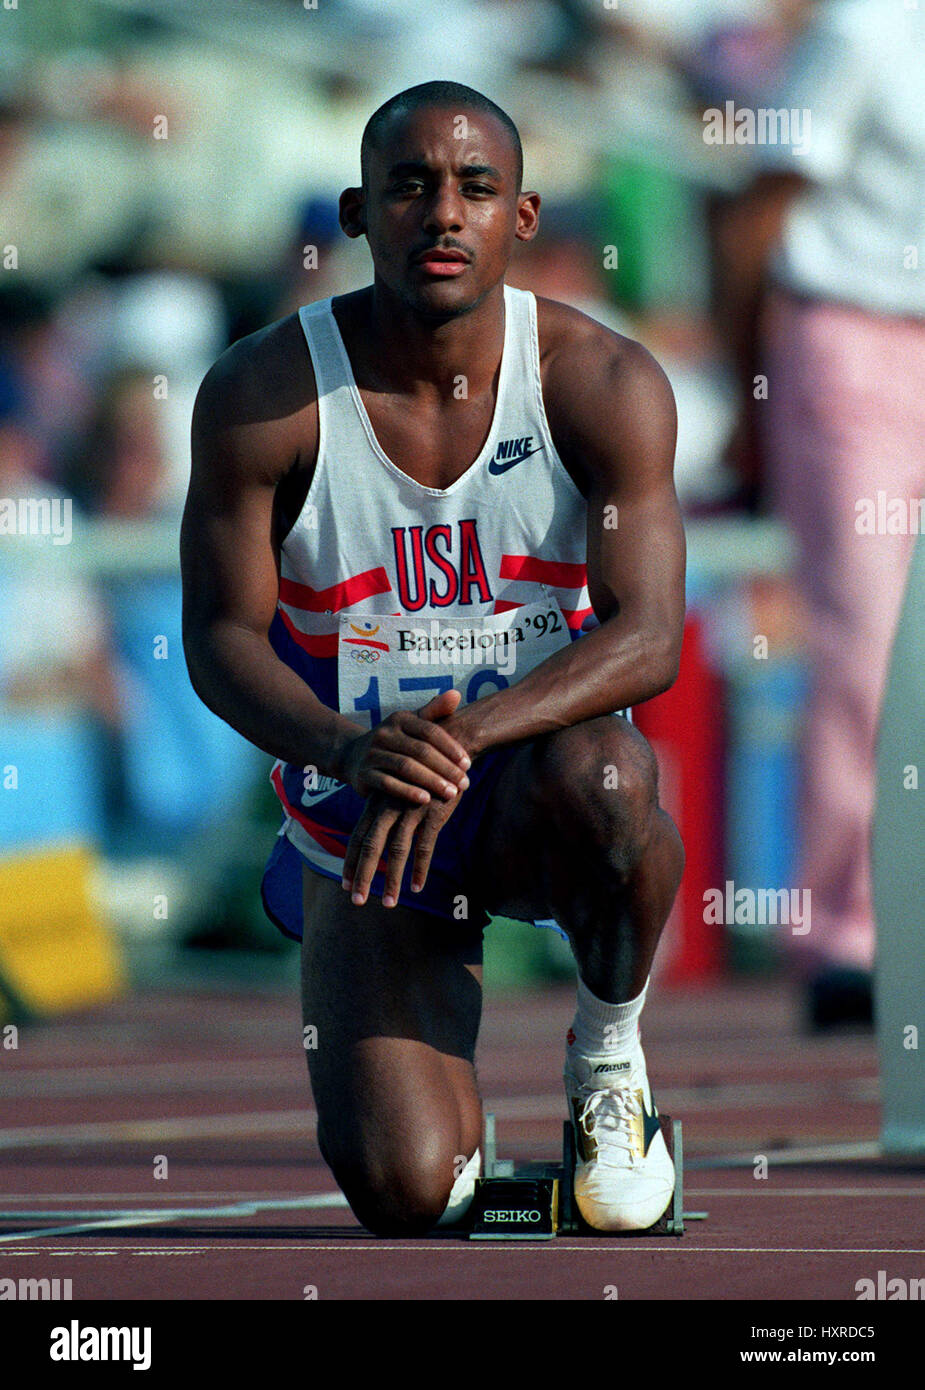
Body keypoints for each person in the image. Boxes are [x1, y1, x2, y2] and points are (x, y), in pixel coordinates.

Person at [181, 81, 686, 1236]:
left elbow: (649, 636)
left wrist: (466, 733)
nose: (442, 213)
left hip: (530, 787)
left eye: (474, 187)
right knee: (407, 1195)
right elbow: (217, 638)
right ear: (360, 212)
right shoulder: (264, 393)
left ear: (523, 216)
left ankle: (608, 1065)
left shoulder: (600, 382)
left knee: (611, 776)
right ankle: (452, 1123)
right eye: (409, 186)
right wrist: (352, 750)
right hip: (370, 813)